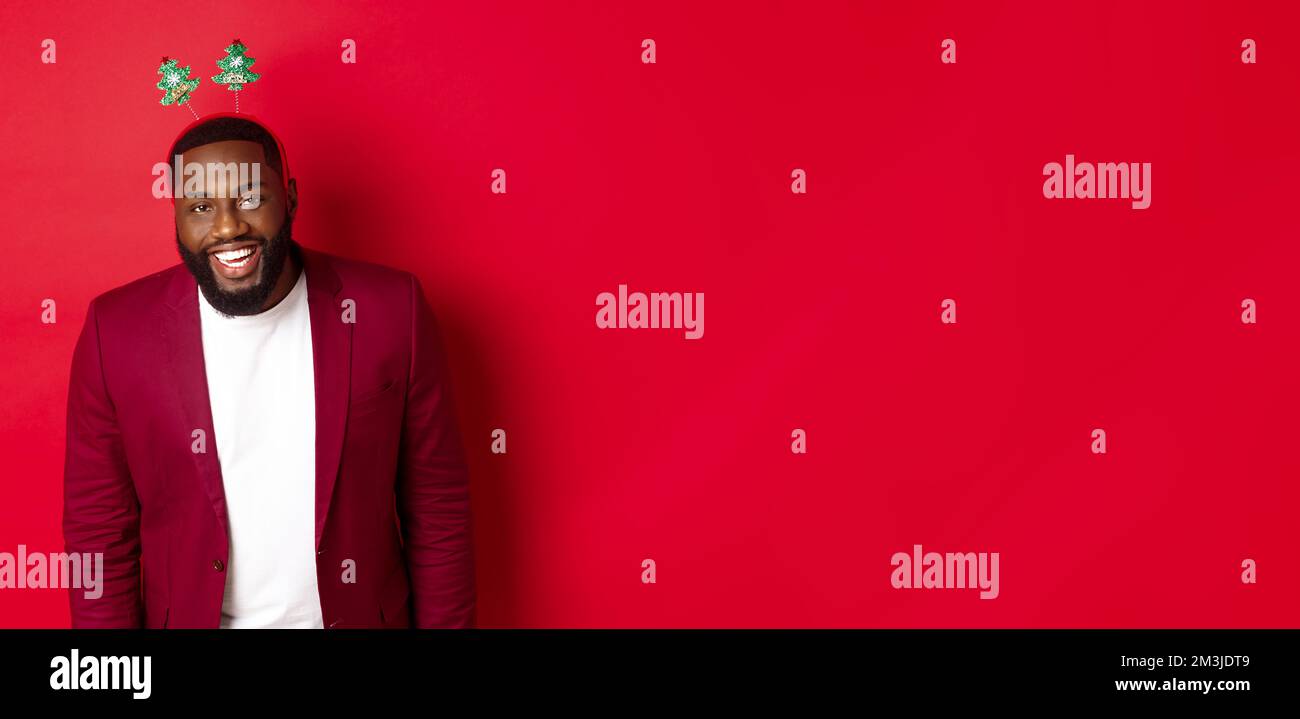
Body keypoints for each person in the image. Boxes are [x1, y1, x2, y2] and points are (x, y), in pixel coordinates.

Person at [62, 114, 475, 628]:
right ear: (176, 218)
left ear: (291, 198)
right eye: (201, 206)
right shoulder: (116, 332)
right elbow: (99, 533)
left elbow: (437, 509)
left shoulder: (392, 310)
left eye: (250, 197)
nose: (228, 225)